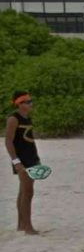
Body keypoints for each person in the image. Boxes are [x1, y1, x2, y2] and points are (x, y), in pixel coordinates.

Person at [5, 91, 40, 234]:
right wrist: (16, 162)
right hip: (22, 159)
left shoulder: (27, 118)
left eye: (31, 101)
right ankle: (28, 227)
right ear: (19, 104)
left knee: (24, 191)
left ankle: (21, 224)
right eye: (28, 102)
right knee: (27, 192)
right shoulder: (14, 119)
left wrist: (36, 158)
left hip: (31, 156)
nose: (31, 104)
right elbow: (8, 141)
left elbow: (29, 140)